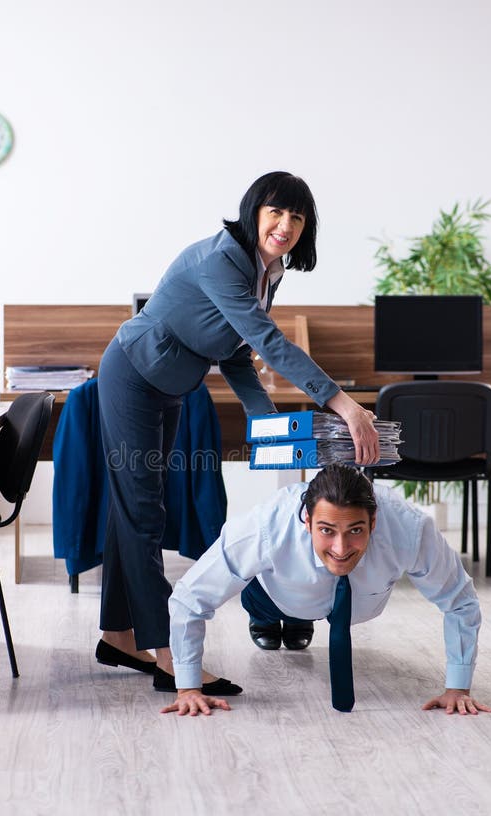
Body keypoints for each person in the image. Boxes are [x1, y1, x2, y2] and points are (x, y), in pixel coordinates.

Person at [96, 172, 380, 694]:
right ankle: (168, 656)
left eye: (297, 217)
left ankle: (118, 635)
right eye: (276, 211)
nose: (285, 225)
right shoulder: (220, 261)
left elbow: (234, 354)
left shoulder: (267, 273)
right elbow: (269, 343)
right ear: (254, 211)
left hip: (169, 388)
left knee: (135, 508)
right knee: (143, 512)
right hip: (132, 374)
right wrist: (341, 401)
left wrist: (269, 425)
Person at [161, 464, 491, 717]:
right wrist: (188, 687)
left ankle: (301, 618)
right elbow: (190, 599)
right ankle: (274, 617)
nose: (340, 547)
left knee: (324, 591)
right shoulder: (266, 529)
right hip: (277, 594)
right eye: (326, 530)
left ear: (374, 522)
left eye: (355, 530)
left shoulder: (409, 530)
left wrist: (458, 687)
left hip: (358, 604)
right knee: (270, 606)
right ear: (306, 520)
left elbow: (460, 601)